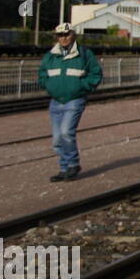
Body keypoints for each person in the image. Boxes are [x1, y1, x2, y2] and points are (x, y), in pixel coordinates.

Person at [37, 23, 102, 182]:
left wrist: (82, 87)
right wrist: (48, 86)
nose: (63, 38)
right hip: (56, 101)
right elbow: (42, 75)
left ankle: (73, 164)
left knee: (66, 132)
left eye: (66, 34)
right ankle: (64, 168)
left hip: (74, 100)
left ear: (73, 35)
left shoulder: (84, 54)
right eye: (60, 35)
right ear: (56, 37)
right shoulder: (50, 56)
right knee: (58, 139)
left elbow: (96, 74)